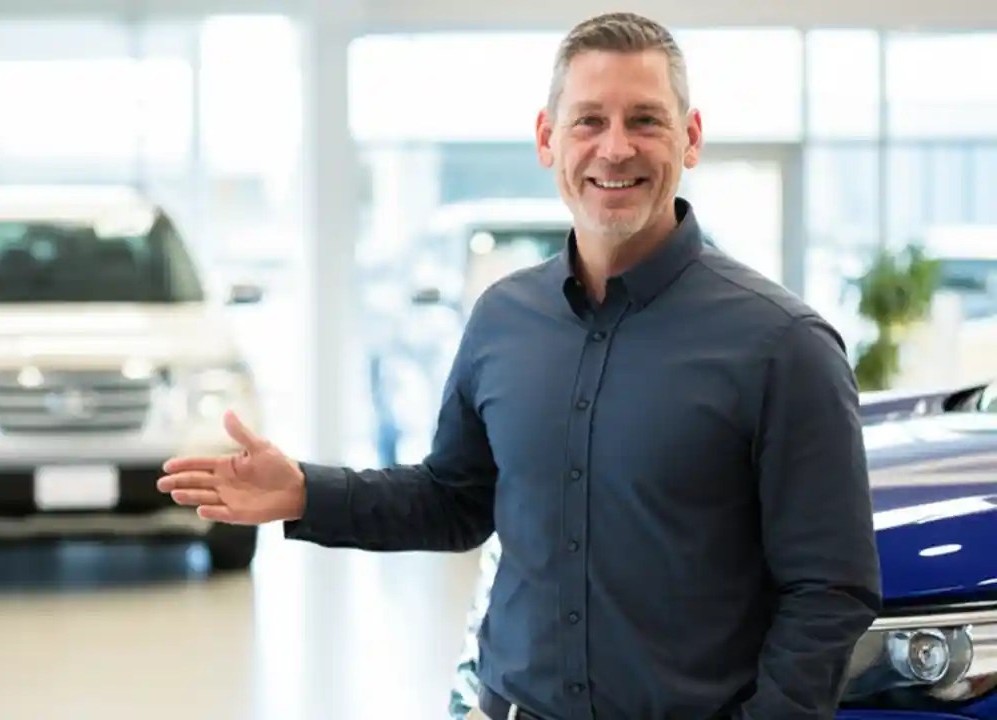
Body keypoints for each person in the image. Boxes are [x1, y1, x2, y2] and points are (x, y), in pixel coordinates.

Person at [158, 11, 881, 720]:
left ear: (690, 139)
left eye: (646, 120)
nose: (615, 148)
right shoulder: (503, 318)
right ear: (547, 138)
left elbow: (831, 589)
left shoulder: (783, 345)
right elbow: (455, 499)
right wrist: (304, 493)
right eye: (589, 120)